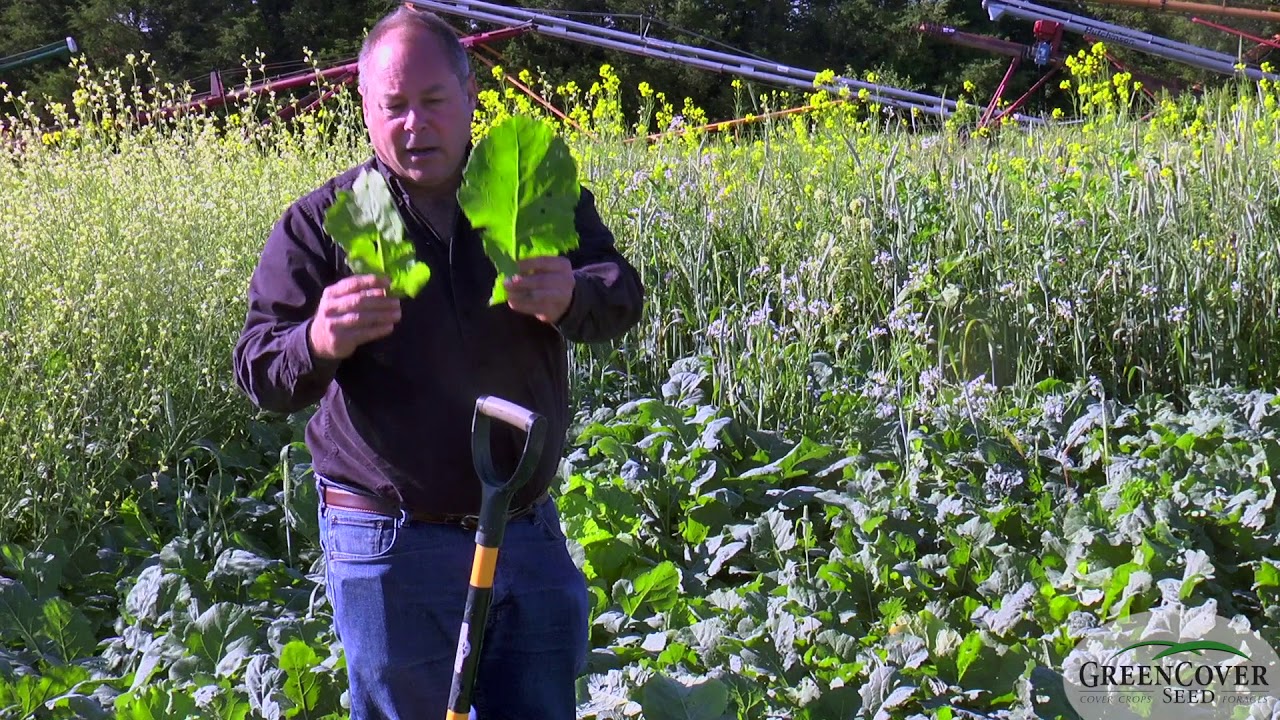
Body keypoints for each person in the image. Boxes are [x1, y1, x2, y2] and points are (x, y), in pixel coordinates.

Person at [231, 6, 645, 719]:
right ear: (364, 106)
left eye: (432, 102)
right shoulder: (330, 219)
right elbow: (257, 368)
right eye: (393, 107)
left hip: (525, 523)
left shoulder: (527, 193)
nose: (414, 125)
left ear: (469, 96)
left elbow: (621, 292)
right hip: (390, 542)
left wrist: (572, 292)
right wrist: (319, 340)